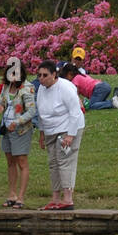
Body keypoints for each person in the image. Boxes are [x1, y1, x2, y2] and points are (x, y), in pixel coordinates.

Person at [35, 60, 85, 211]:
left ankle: (67, 198)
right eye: (39, 75)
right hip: (50, 130)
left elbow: (76, 112)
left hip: (68, 127)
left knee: (64, 161)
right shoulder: (42, 89)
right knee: (53, 162)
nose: (41, 78)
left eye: (45, 75)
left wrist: (70, 135)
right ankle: (55, 198)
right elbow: (41, 113)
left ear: (54, 75)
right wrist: (42, 133)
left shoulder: (65, 88)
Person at [0, 57, 37, 208]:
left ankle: (21, 197)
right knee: (10, 161)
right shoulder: (6, 87)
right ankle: (11, 194)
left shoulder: (27, 88)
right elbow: (1, 101)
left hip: (20, 130)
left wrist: (17, 122)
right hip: (6, 128)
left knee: (22, 161)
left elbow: (31, 111)